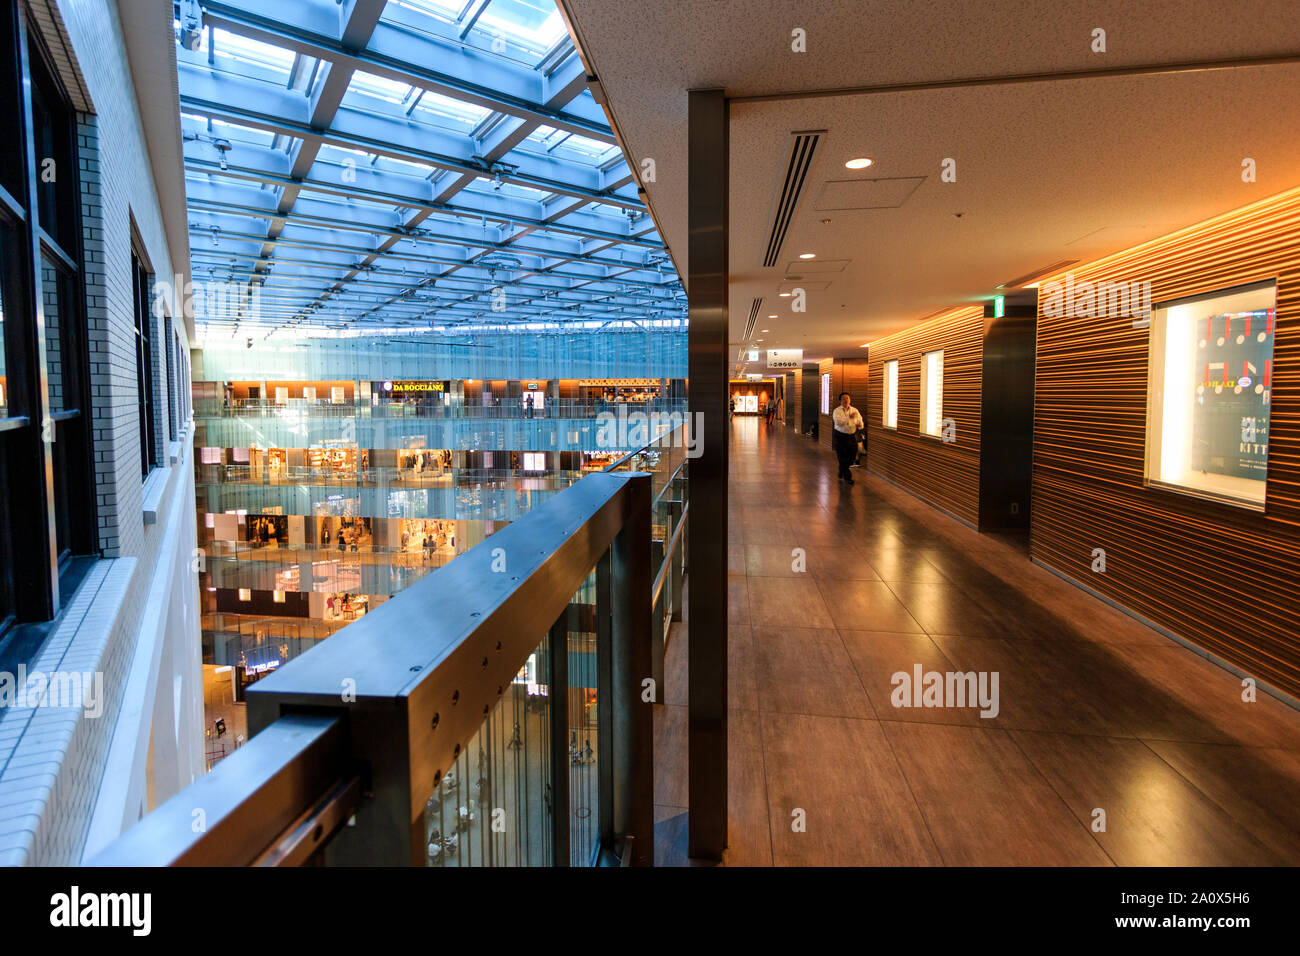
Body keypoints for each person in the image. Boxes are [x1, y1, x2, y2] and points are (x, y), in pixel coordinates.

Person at [831, 392, 864, 485]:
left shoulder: (855, 410)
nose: (846, 400)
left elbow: (860, 420)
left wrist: (860, 425)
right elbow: (838, 422)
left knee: (852, 456)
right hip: (840, 436)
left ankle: (842, 469)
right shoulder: (837, 411)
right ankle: (848, 477)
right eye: (844, 399)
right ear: (840, 401)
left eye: (848, 398)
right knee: (842, 457)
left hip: (852, 436)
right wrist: (848, 418)